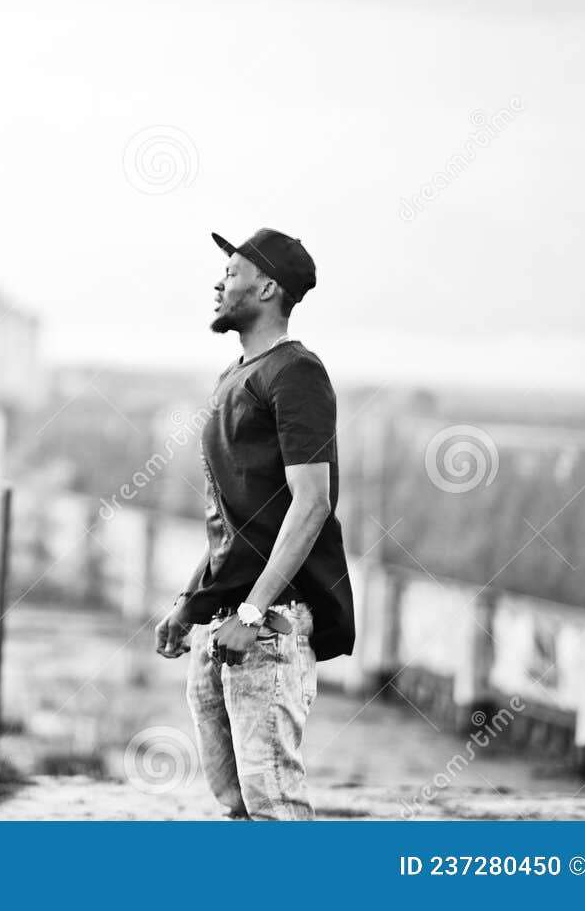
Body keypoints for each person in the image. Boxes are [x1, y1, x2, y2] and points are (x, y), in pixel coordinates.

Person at [153, 228, 355, 819]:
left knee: (275, 806)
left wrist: (251, 613)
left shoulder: (297, 373)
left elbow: (312, 503)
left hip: (267, 622)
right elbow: (233, 519)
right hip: (223, 621)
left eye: (232, 273)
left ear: (267, 288)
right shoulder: (235, 375)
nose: (219, 284)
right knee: (235, 806)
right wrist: (189, 603)